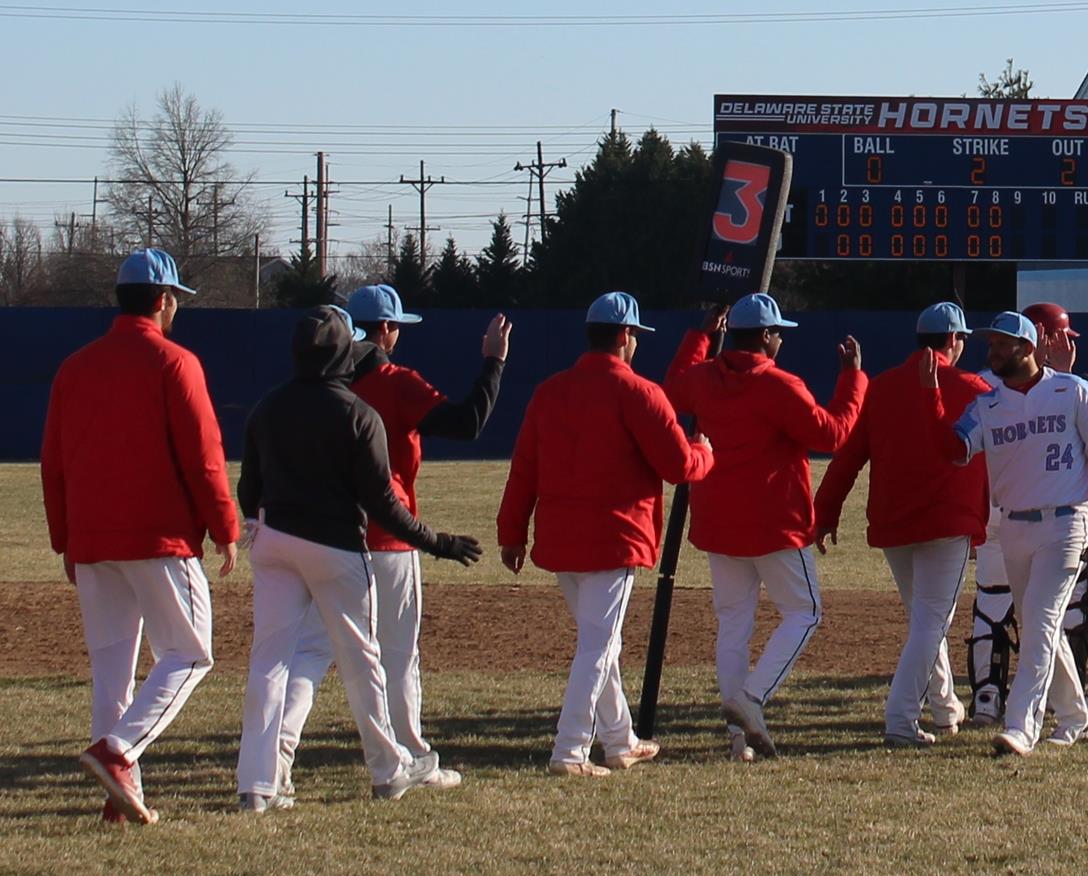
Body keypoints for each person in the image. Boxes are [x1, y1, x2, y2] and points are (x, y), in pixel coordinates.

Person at [236, 307, 484, 809]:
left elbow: (249, 490)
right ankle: (389, 770)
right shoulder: (356, 412)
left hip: (274, 544)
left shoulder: (268, 407)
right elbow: (382, 505)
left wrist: (264, 527)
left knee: (272, 661)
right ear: (343, 354)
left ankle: (258, 784)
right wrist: (438, 542)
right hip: (335, 547)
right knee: (362, 659)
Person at [40, 248, 239, 823]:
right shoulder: (175, 362)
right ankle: (120, 753)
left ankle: (120, 799)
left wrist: (64, 540)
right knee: (190, 654)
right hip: (159, 538)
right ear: (161, 300)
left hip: (94, 542)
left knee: (112, 670)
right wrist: (225, 526)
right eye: (174, 296)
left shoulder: (74, 367)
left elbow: (52, 462)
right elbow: (204, 457)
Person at [498, 292, 715, 775]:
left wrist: (511, 531)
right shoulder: (638, 392)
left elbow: (524, 468)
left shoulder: (550, 391)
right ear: (624, 336)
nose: (635, 341)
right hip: (613, 538)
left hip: (560, 538)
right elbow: (679, 464)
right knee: (599, 646)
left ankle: (619, 741)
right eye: (634, 334)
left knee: (602, 642)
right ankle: (570, 750)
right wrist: (706, 453)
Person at [666, 292, 865, 759]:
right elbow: (832, 434)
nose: (780, 340)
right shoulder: (779, 384)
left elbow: (672, 388)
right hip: (775, 523)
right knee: (805, 612)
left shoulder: (705, 378)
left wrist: (699, 336)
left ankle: (739, 741)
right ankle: (751, 699)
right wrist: (853, 378)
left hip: (720, 522)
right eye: (777, 333)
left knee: (733, 624)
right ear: (766, 337)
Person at [944, 311, 1088, 756]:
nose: (993, 351)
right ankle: (1076, 716)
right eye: (991, 345)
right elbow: (955, 449)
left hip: (1066, 522)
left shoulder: (1072, 391)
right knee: (1039, 625)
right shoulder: (986, 403)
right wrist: (930, 397)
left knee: (1042, 620)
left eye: (1002, 344)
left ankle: (1022, 725)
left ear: (1027, 348)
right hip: (1012, 525)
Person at [813, 303, 987, 745]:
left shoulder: (881, 387)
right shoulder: (972, 387)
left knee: (924, 620)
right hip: (946, 522)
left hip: (894, 522)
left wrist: (826, 510)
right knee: (931, 622)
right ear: (953, 341)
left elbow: (848, 458)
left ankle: (945, 708)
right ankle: (901, 719)